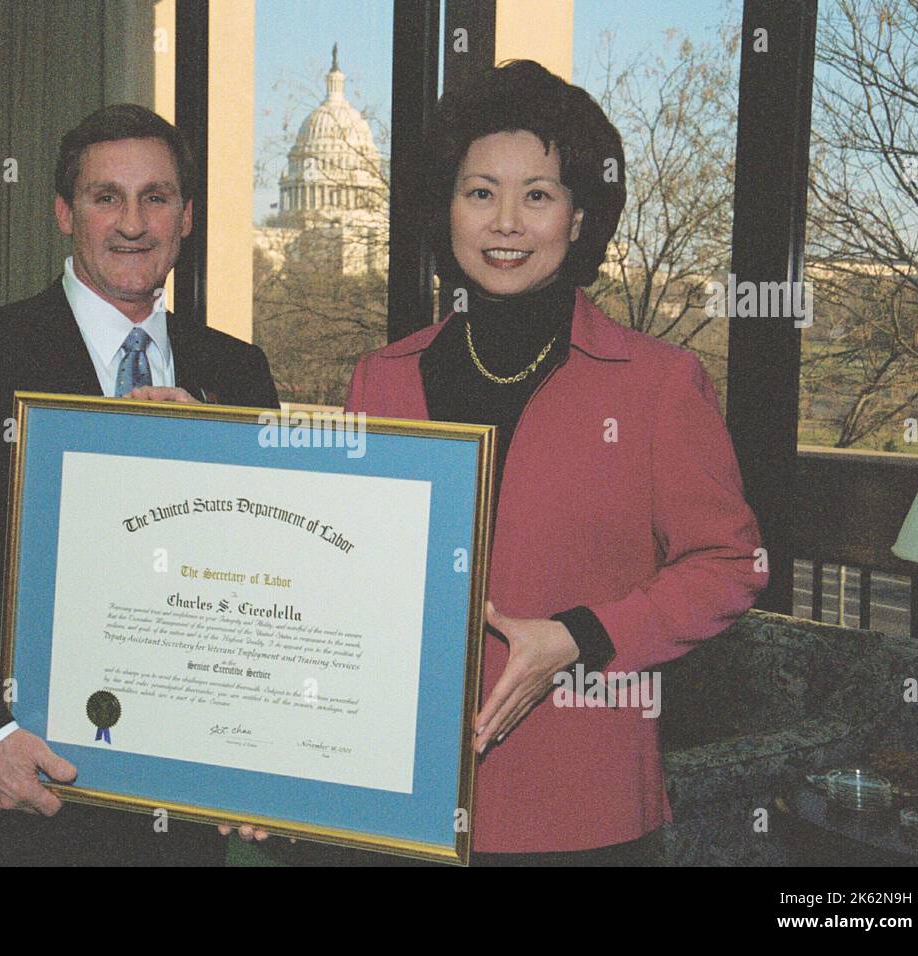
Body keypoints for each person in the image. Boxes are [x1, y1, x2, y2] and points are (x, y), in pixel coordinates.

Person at [328, 60, 767, 865]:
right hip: (395, 799)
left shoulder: (661, 385)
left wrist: (581, 636)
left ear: (578, 217)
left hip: (580, 813)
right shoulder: (380, 378)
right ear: (446, 208)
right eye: (479, 191)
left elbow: (730, 564)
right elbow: (338, 570)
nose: (506, 223)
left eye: (538, 194)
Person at [0, 104, 279, 866]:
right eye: (106, 197)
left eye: (156, 198)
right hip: (28, 787)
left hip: (187, 792)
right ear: (65, 212)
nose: (133, 223)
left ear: (186, 217)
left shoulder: (236, 372)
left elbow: (265, 571)